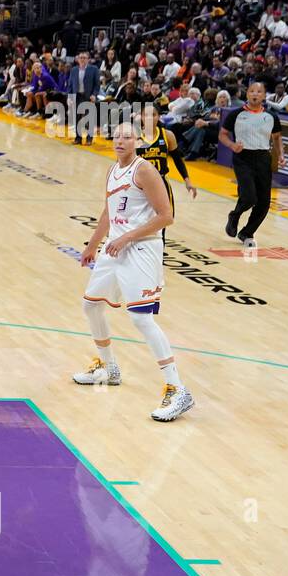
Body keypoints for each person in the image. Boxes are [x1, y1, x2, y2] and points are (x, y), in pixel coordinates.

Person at [73, 122, 193, 422]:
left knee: (141, 318)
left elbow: (167, 217)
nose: (120, 141)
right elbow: (108, 212)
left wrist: (126, 237)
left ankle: (178, 389)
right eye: (117, 136)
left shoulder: (145, 171)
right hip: (114, 249)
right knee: (91, 305)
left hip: (141, 249)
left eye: (127, 137)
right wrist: (92, 244)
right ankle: (109, 367)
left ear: (138, 141)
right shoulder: (112, 170)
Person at [219, 81, 284, 248]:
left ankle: (247, 232)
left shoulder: (271, 116)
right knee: (249, 197)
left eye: (259, 91)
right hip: (243, 158)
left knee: (264, 203)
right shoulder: (236, 114)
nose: (255, 94)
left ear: (264, 95)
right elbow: (223, 135)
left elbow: (277, 138)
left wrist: (281, 156)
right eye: (252, 91)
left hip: (263, 158)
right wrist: (232, 145)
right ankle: (234, 216)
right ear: (247, 94)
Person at [134, 103, 197, 242]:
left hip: (161, 183)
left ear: (159, 117)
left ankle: (158, 254)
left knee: (162, 222)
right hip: (139, 185)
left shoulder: (167, 135)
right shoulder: (134, 136)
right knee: (138, 221)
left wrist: (187, 180)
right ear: (141, 117)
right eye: (146, 115)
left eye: (153, 115)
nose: (150, 118)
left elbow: (178, 160)